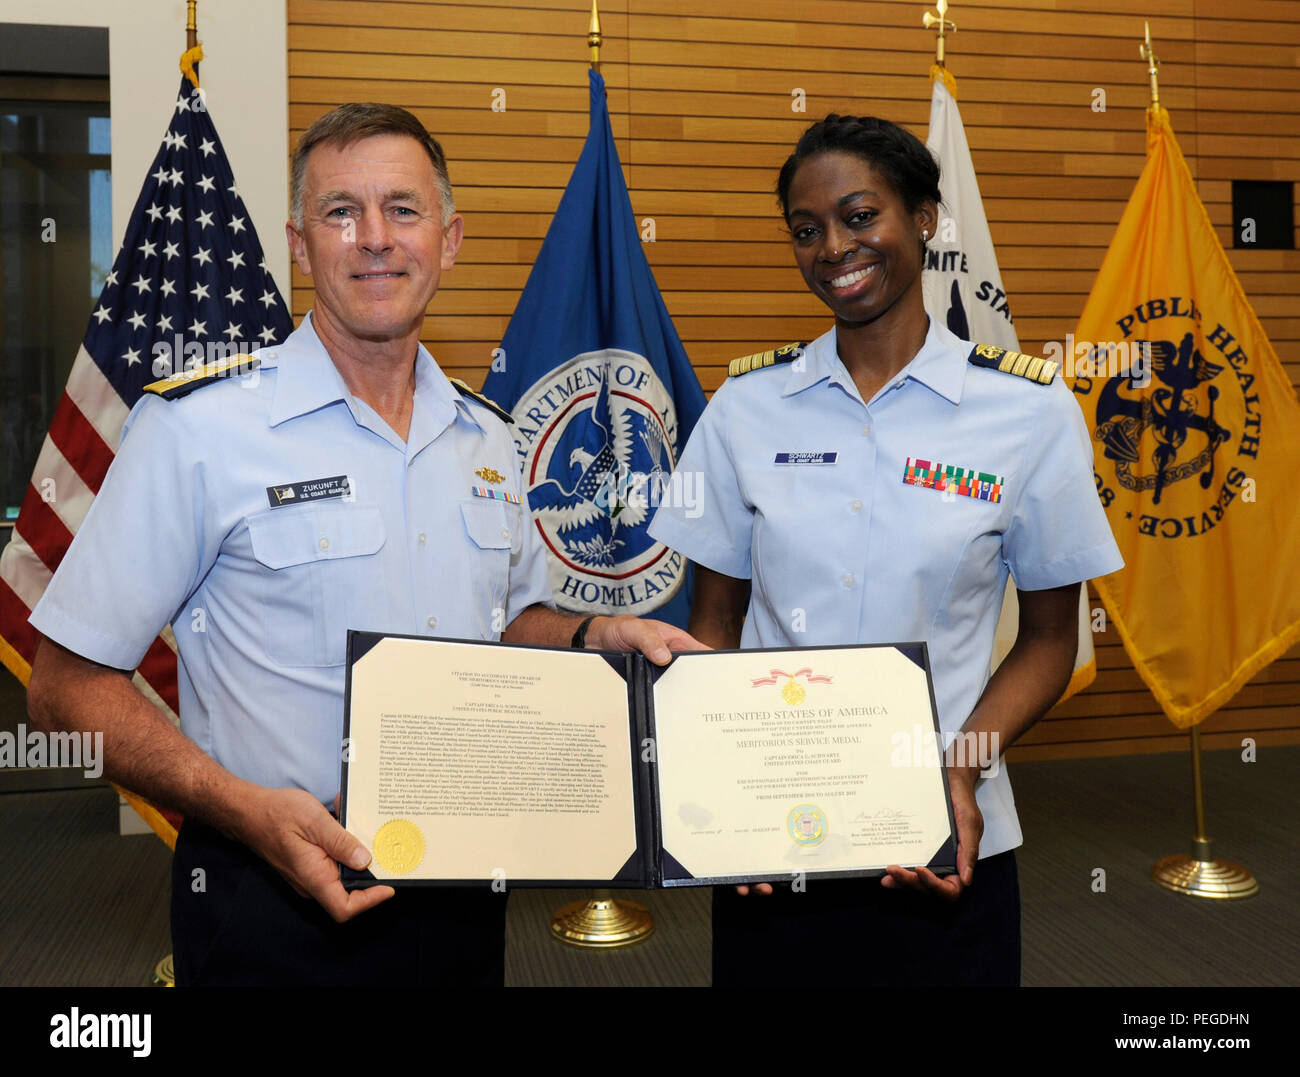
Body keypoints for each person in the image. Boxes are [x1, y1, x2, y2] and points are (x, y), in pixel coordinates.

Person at [25, 103, 702, 988]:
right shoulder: (199, 428)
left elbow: (511, 624)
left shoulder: (489, 438)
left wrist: (589, 635)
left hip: (466, 877)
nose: (375, 237)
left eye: (404, 210)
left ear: (449, 239)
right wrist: (244, 810)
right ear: (300, 244)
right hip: (267, 891)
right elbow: (62, 688)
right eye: (342, 211)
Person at [647, 114, 1123, 987]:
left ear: (927, 217)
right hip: (771, 836)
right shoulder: (745, 407)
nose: (834, 245)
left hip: (946, 830)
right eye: (806, 228)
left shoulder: (1028, 411)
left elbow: (1054, 638)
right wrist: (716, 783)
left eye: (860, 216)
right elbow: (711, 622)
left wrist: (962, 770)